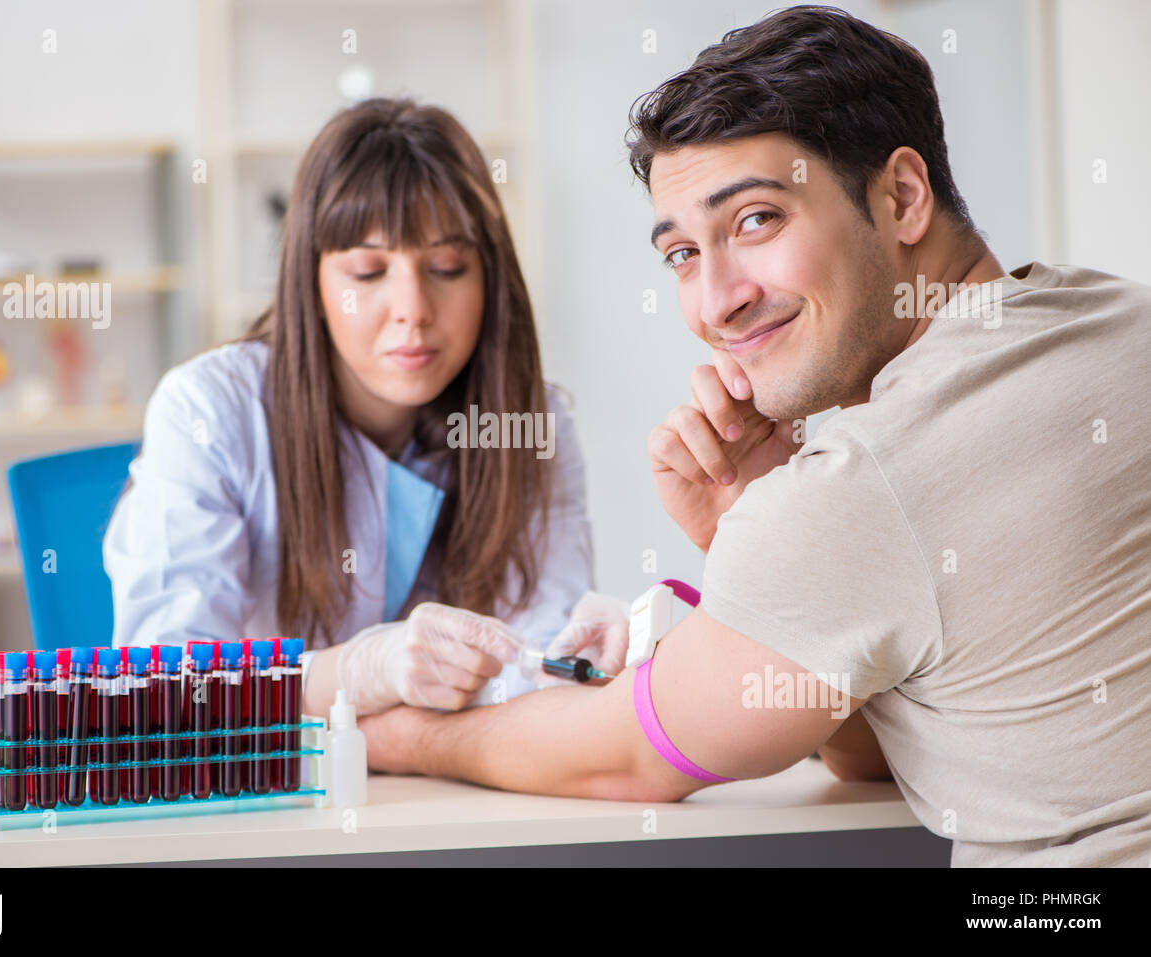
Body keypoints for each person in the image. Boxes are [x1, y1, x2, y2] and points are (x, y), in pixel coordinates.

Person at [357, 6, 1151, 867]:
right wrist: (755, 531)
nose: (715, 301)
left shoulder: (863, 484)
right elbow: (883, 741)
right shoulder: (1118, 319)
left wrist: (399, 733)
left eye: (756, 220)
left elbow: (622, 756)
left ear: (903, 198)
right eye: (683, 254)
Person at [104, 98, 593, 716]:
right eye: (368, 272)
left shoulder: (526, 426)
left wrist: (586, 661)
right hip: (269, 798)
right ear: (310, 282)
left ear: (490, 280)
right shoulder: (209, 410)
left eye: (447, 266)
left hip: (454, 800)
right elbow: (168, 690)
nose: (412, 308)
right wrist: (359, 674)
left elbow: (543, 678)